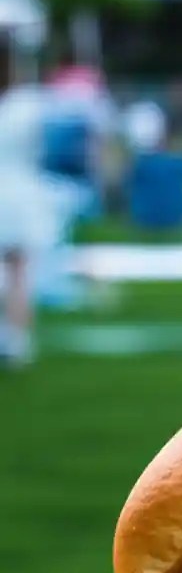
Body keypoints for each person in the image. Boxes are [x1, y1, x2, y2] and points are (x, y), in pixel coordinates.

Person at [0, 86, 60, 367]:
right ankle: (17, 339)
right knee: (19, 270)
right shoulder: (25, 104)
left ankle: (15, 338)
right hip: (16, 194)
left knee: (18, 269)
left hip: (14, 190)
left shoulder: (25, 104)